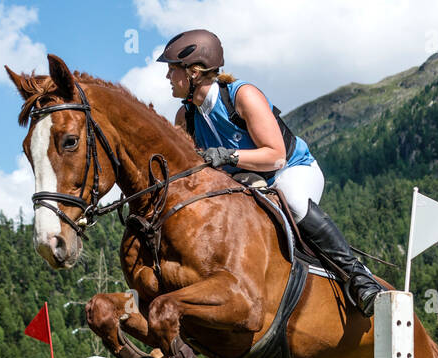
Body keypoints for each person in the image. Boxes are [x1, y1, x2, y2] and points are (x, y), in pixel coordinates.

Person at [158, 28, 383, 317]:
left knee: (292, 200)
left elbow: (275, 156)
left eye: (171, 70)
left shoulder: (242, 95)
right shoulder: (185, 116)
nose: (167, 77)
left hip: (291, 170)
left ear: (194, 72)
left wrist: (227, 155)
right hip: (246, 184)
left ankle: (360, 278)